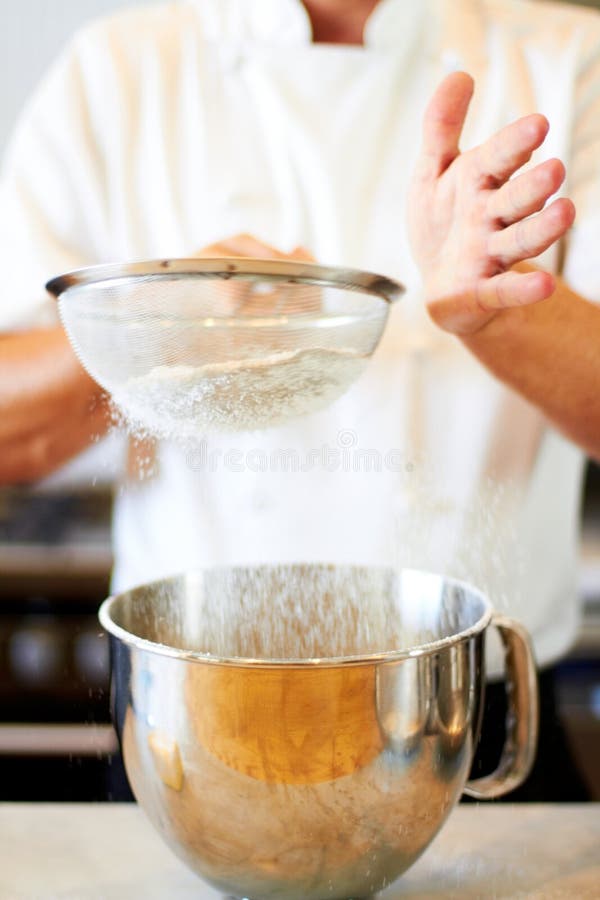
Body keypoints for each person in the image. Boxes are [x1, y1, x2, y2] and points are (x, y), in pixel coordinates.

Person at [1, 0, 599, 800]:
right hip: (192, 718)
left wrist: (499, 313)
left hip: (471, 714)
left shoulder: (570, 61)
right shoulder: (117, 70)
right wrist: (154, 330)